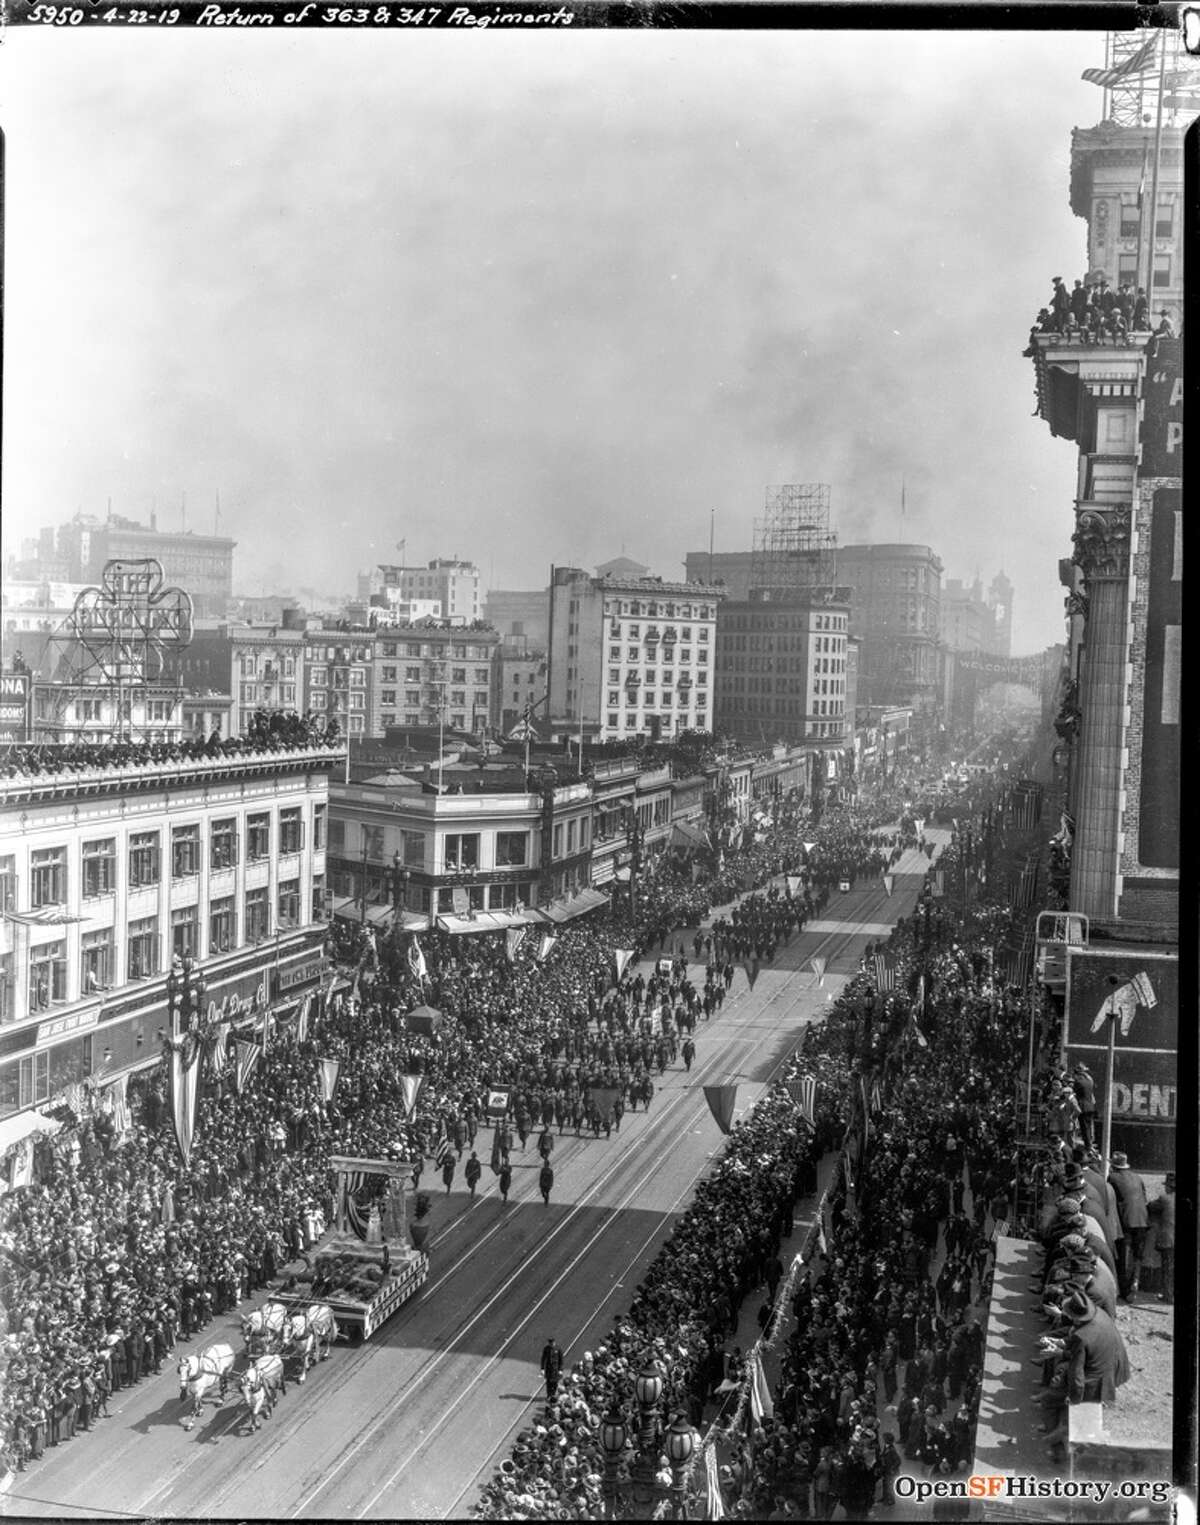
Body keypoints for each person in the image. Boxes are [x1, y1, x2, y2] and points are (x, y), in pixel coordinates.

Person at [1108, 1152, 1149, 1298]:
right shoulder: (1137, 1176)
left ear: (1113, 1166)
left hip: (1126, 1221)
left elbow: (1110, 1199)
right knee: (1138, 1255)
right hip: (1142, 1219)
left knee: (1124, 1255)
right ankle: (1135, 1284)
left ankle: (1124, 1291)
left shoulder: (1112, 1177)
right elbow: (1144, 1197)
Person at [1148, 1173, 1175, 1303]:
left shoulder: (1164, 1199)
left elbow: (1150, 1207)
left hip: (1168, 1239)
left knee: (1168, 1268)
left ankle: (1168, 1296)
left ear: (1169, 1187)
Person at [540, 1336, 564, 1403]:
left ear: (554, 1342)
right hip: (548, 1369)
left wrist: (560, 1369)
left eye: (552, 1342)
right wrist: (542, 1368)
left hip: (556, 1369)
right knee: (548, 1383)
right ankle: (549, 1395)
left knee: (555, 1383)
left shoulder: (558, 1349)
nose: (551, 1344)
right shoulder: (546, 1349)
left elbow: (561, 1360)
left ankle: (553, 1395)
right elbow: (543, 1359)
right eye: (550, 1343)